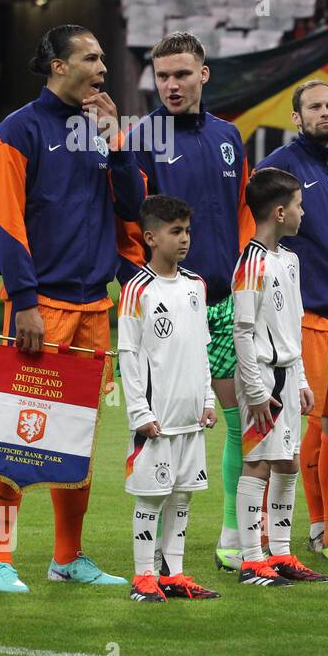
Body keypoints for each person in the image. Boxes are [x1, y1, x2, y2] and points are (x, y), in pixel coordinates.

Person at [0, 24, 139, 594]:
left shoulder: (100, 130)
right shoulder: (18, 130)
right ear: (57, 66)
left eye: (102, 58)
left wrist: (116, 140)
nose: (102, 69)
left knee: (76, 436)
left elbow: (133, 206)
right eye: (91, 59)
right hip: (41, 305)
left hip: (94, 306)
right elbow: (5, 221)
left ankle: (67, 557)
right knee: (15, 435)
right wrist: (23, 300)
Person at [118, 31, 255, 572]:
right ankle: (154, 558)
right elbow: (129, 218)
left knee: (241, 422)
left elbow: (240, 211)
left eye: (181, 74)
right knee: (163, 428)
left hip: (224, 302)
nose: (171, 85)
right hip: (169, 311)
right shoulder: (141, 138)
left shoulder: (228, 136)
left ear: (204, 74)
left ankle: (231, 537)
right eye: (162, 76)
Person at [256, 81, 328, 564]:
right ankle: (261, 533)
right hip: (303, 319)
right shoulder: (279, 167)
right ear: (296, 117)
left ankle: (327, 528)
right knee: (294, 430)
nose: (325, 113)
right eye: (314, 107)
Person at [119, 195, 221, 602]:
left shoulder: (196, 285)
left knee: (182, 498)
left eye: (187, 231)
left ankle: (173, 573)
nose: (184, 239)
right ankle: (143, 576)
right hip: (156, 419)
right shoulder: (137, 289)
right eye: (175, 231)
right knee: (151, 497)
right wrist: (138, 412)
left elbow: (202, 347)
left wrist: (208, 398)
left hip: (190, 416)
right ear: (150, 237)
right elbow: (129, 354)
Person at [231, 167, 326, 586]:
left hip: (287, 374)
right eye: (300, 205)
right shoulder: (250, 264)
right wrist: (255, 391)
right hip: (262, 379)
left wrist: (301, 379)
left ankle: (282, 553)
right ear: (280, 212)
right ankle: (252, 559)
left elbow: (293, 324)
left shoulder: (290, 260)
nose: (304, 213)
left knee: (287, 462)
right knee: (257, 463)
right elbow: (242, 331)